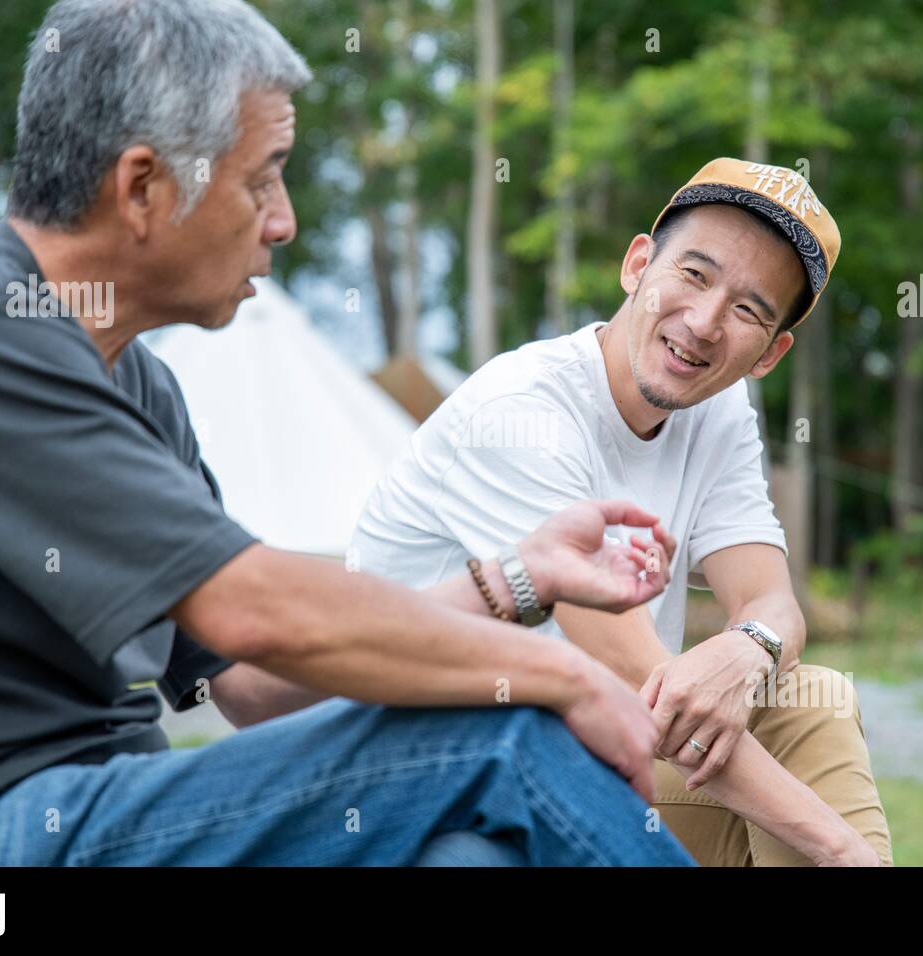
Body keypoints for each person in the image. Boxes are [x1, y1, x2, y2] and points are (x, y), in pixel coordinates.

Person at [0, 0, 697, 868]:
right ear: (142, 188)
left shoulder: (139, 383)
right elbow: (256, 611)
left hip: (104, 812)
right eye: (262, 179)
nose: (284, 220)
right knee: (501, 737)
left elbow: (247, 682)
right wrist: (565, 676)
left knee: (466, 859)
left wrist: (518, 577)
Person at [351, 158, 893, 866]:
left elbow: (771, 602)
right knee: (812, 822)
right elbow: (643, 678)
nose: (702, 324)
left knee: (808, 699)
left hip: (581, 760)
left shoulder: (718, 409)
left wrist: (747, 648)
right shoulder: (522, 413)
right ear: (638, 264)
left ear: (770, 353)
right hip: (431, 790)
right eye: (694, 275)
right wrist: (841, 847)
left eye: (748, 309)